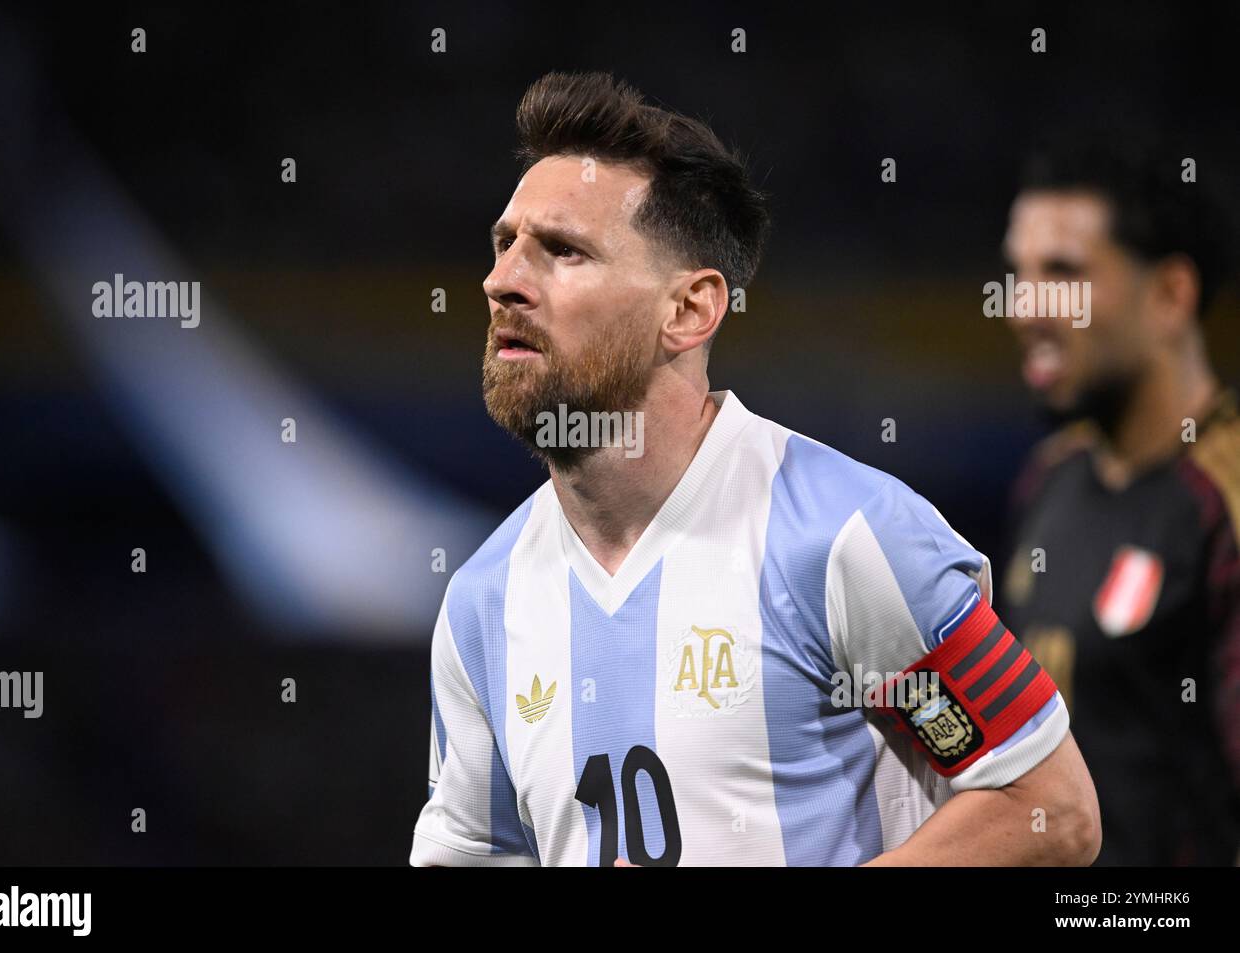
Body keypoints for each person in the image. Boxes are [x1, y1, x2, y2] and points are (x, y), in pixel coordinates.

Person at [410, 71, 1099, 866]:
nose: (501, 282)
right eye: (505, 245)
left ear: (690, 310)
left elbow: (1049, 806)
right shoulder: (483, 605)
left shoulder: (843, 539)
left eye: (562, 251)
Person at [999, 132, 1240, 865]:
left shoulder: (1222, 500)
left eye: (1063, 272)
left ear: (1171, 294)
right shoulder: (1051, 477)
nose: (1024, 307)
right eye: (1017, 272)